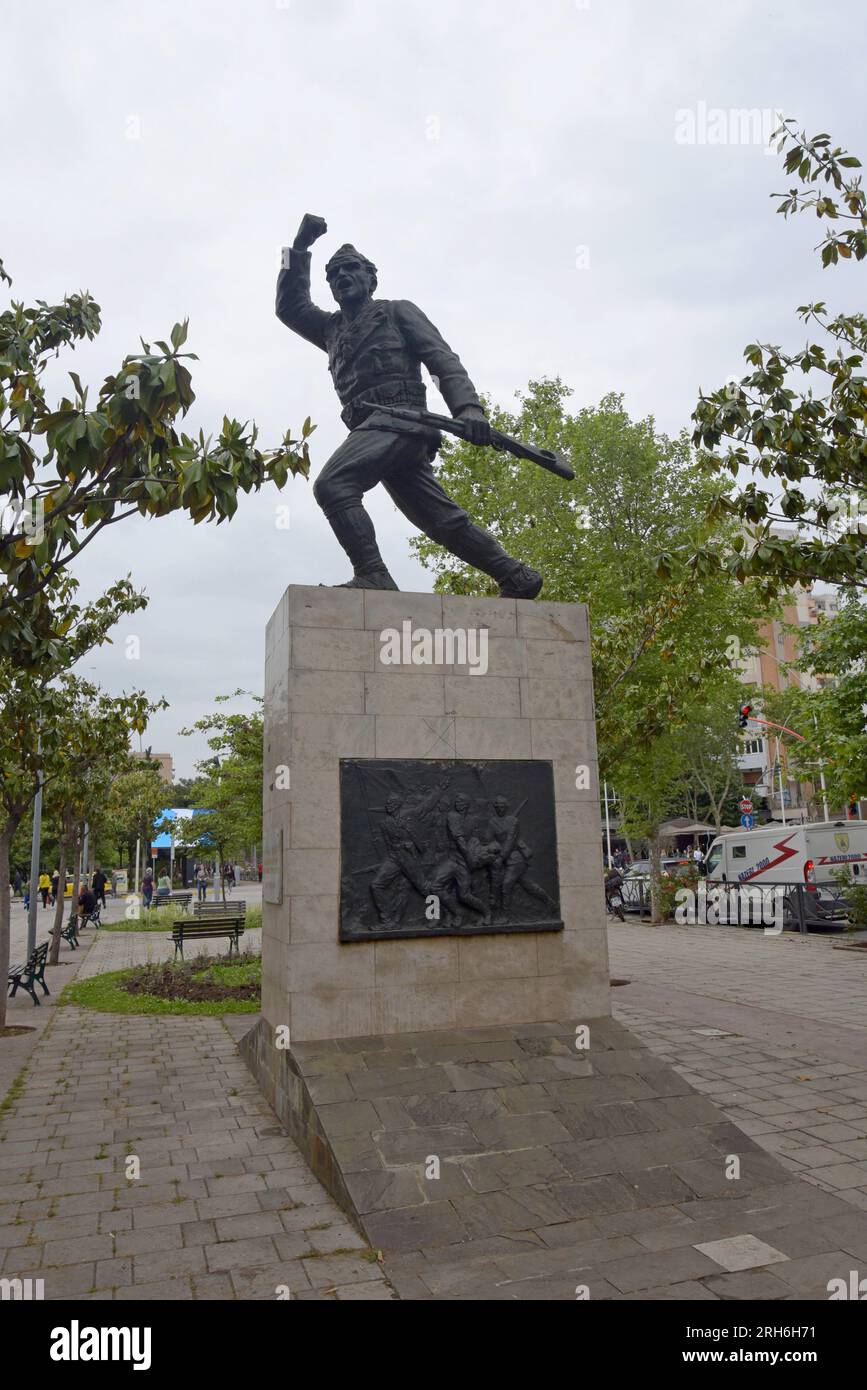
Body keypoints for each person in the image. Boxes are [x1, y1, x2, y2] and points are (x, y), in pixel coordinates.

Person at [276, 215, 544, 597]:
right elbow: (289, 308)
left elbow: (442, 361)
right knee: (440, 520)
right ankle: (516, 576)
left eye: (352, 270)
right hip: (375, 432)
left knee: (334, 485)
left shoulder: (397, 311)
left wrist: (469, 410)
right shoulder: (330, 330)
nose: (342, 277)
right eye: (333, 275)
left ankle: (373, 574)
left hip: (402, 423)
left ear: (372, 280)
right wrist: (297, 250)